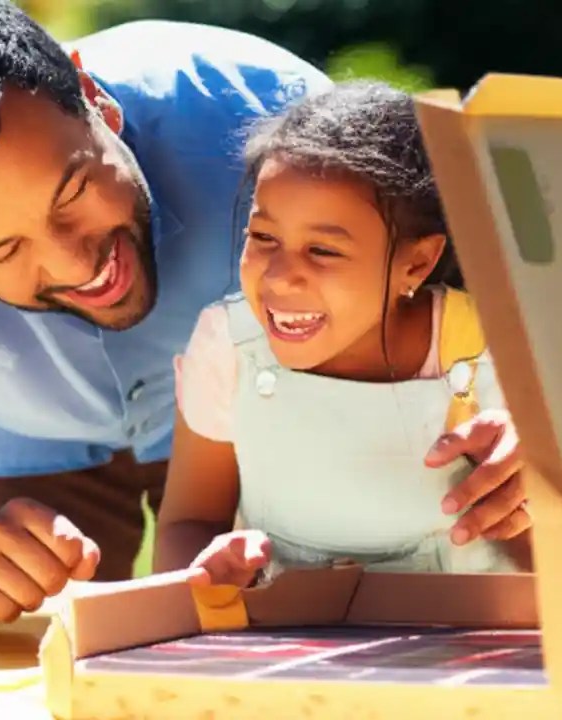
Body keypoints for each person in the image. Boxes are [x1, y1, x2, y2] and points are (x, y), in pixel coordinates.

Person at [0, 0, 528, 627]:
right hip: (15, 454)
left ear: (95, 101)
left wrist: (534, 428)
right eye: (3, 248)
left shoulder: (274, 113)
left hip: (254, 435)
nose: (76, 263)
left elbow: (463, 311)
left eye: (74, 193)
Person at [154, 81, 533, 587]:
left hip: (462, 648)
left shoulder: (497, 349)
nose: (279, 277)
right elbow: (189, 520)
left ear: (416, 263)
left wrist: (539, 484)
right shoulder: (229, 346)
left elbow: (557, 554)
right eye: (264, 237)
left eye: (324, 251)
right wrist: (201, 580)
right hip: (294, 654)